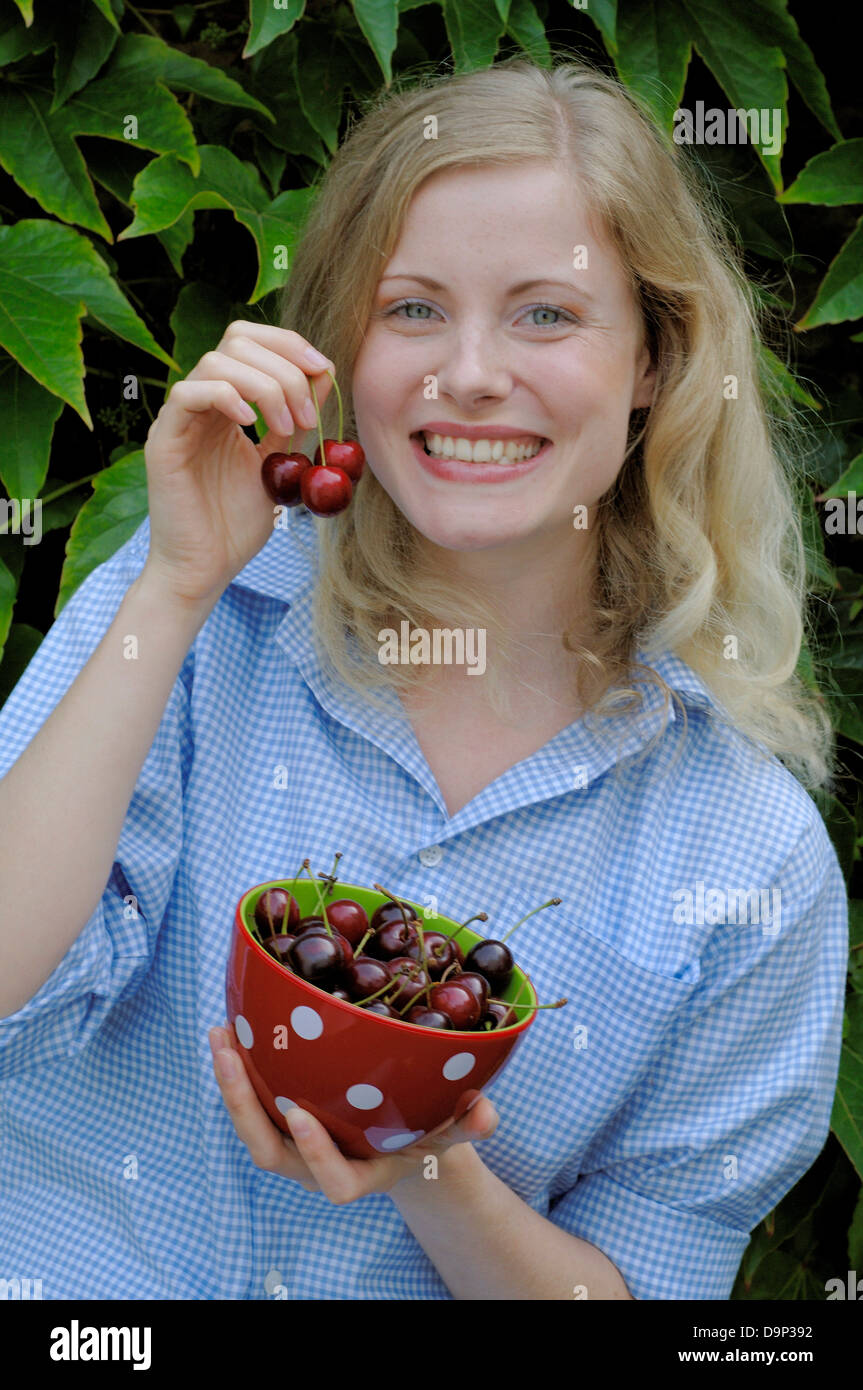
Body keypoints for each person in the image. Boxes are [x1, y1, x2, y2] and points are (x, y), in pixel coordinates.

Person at [0, 55, 848, 1302]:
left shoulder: (743, 852)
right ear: (342, 344)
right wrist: (173, 587)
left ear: (656, 362)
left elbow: (636, 1289)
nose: (468, 372)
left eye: (545, 313)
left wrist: (424, 1161)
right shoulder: (194, 612)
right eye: (411, 309)